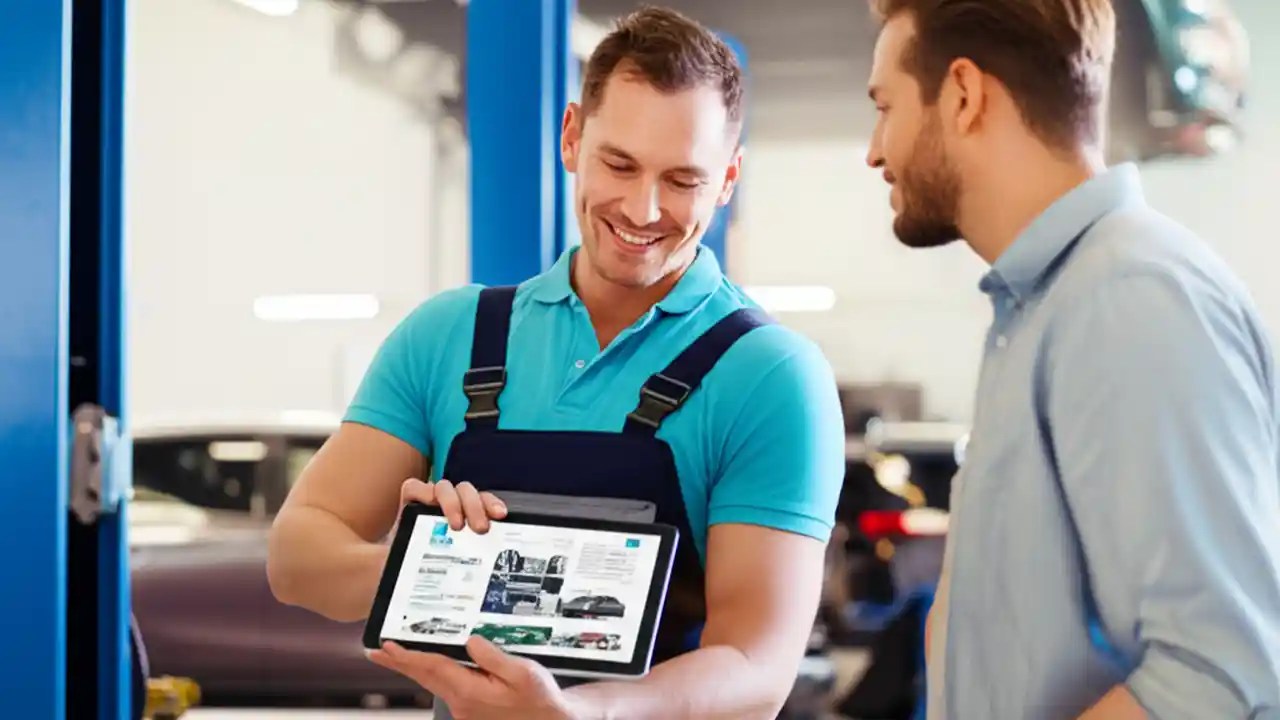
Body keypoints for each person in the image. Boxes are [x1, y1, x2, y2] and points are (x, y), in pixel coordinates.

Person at [266, 6, 846, 720]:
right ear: (572, 137)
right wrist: (433, 566)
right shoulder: (451, 335)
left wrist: (580, 716)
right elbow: (296, 557)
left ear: (728, 178)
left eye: (684, 180)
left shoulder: (772, 377)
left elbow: (757, 668)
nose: (644, 208)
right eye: (620, 164)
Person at [863, 0, 1280, 718]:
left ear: (963, 95)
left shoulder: (1130, 298)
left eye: (885, 106)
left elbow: (1217, 670)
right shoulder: (1041, 306)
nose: (874, 149)